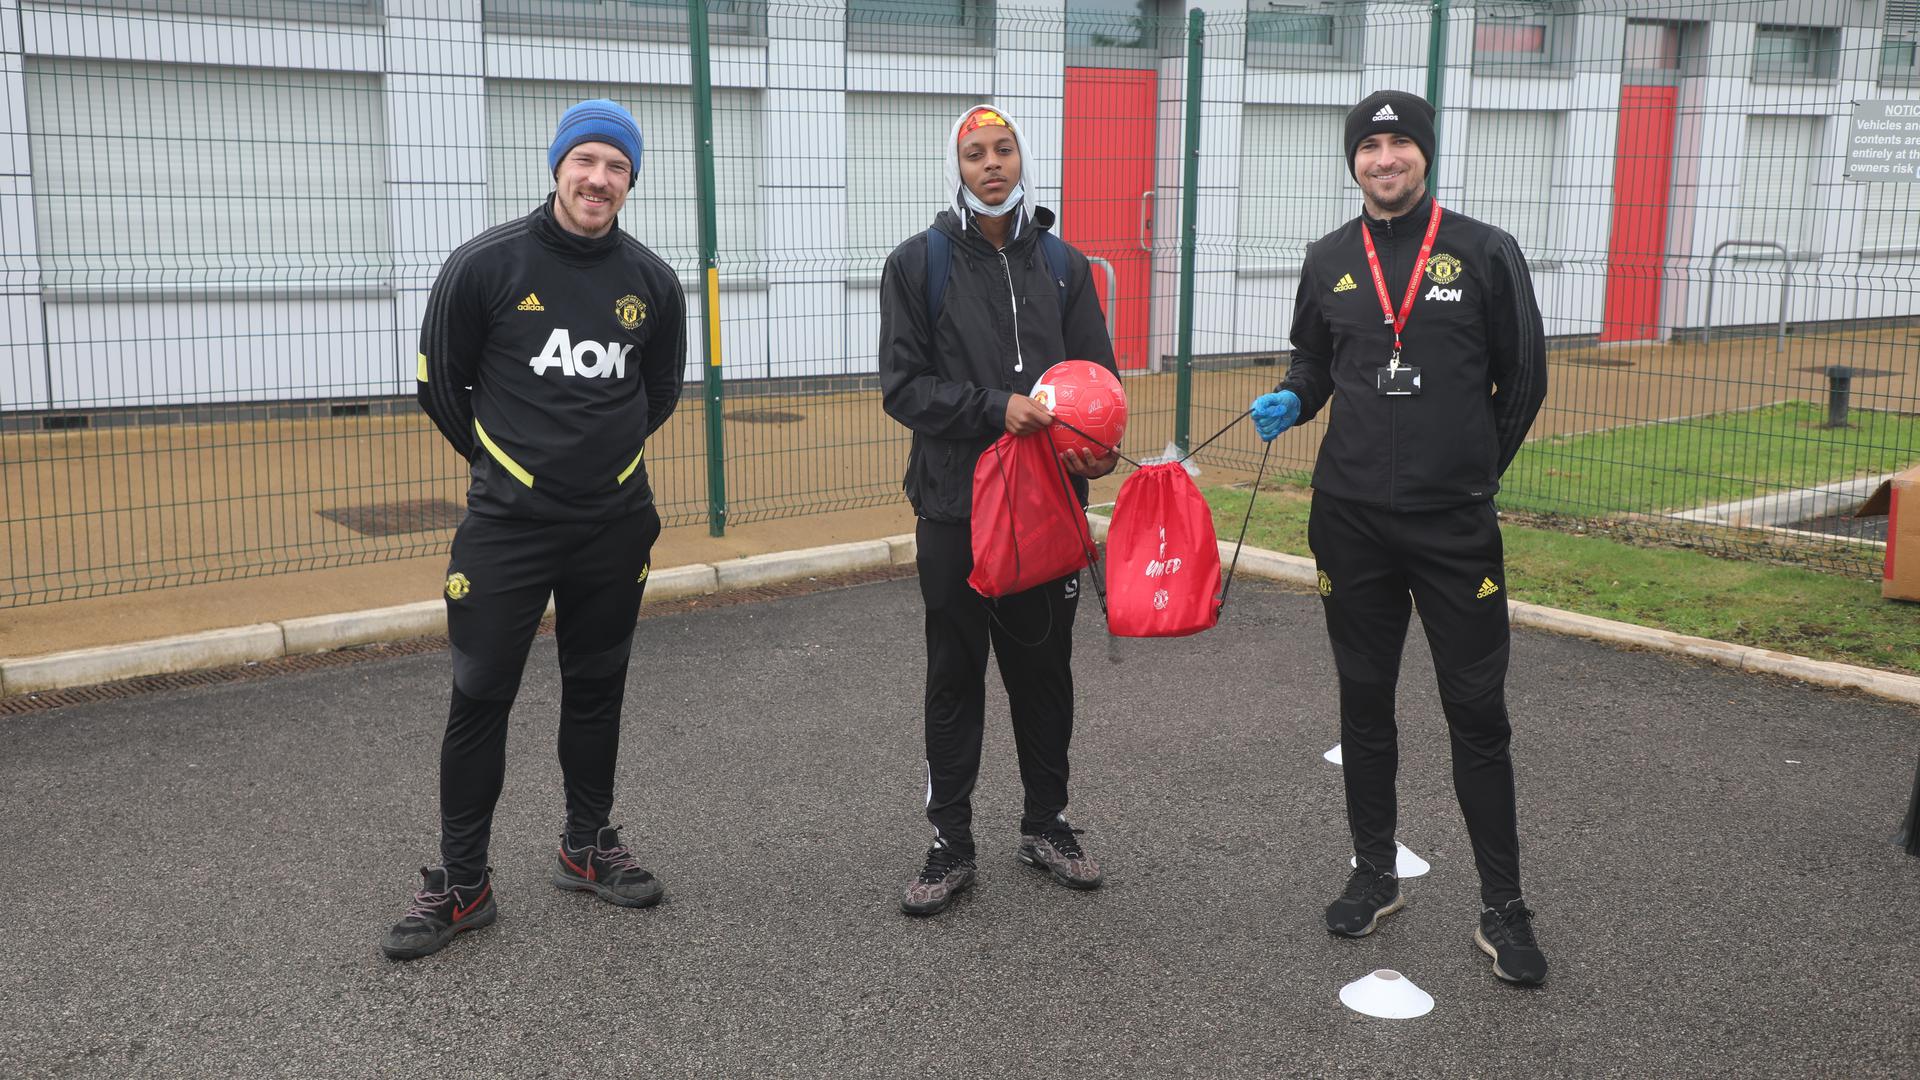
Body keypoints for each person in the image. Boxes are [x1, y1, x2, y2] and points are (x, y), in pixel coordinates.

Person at [1248, 90, 1550, 985]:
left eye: (1400, 144)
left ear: (1425, 154)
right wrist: (1295, 399)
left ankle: (1505, 907)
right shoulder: (1329, 258)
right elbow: (1315, 361)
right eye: (1370, 146)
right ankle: (1374, 874)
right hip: (1349, 524)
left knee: (1477, 716)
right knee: (1365, 701)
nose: (1385, 160)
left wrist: (1466, 476)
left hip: (1455, 528)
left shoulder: (1485, 251)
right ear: (1354, 160)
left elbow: (1524, 380)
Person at [383, 99, 686, 960]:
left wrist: (599, 465)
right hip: (507, 530)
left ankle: (586, 846)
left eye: (617, 166)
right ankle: (462, 882)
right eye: (586, 161)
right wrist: (510, 471)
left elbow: (656, 392)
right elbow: (443, 387)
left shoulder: (651, 281)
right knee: (480, 695)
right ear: (557, 167)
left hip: (615, 524)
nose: (599, 179)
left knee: (598, 686)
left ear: (631, 180)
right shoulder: (486, 265)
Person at [878, 104, 1120, 916]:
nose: (992, 164)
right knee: (955, 673)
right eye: (976, 152)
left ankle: (1047, 823)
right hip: (955, 508)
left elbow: (1097, 386)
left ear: (1022, 159)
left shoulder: (1065, 265)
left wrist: (1100, 448)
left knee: (1045, 674)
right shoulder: (918, 264)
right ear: (957, 166)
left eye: (1004, 149)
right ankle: (950, 842)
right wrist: (995, 407)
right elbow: (903, 389)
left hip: (1048, 508)